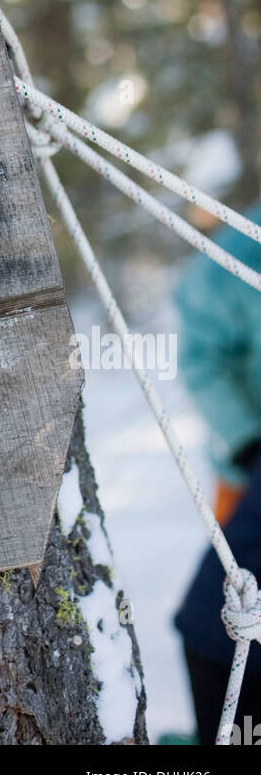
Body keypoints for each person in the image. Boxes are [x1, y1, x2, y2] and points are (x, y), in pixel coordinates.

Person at [173, 199, 261, 744]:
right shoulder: (240, 249)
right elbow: (201, 357)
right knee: (222, 615)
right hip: (249, 461)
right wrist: (249, 440)